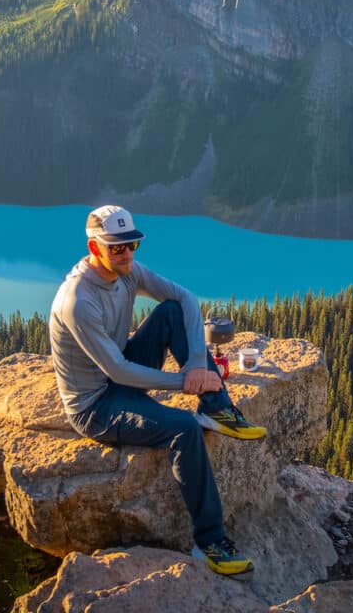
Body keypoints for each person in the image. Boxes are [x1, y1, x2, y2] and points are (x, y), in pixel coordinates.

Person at [49, 204, 266, 576]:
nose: (127, 253)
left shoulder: (127, 272)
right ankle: (210, 542)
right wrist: (184, 383)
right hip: (96, 406)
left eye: (133, 245)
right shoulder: (78, 301)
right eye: (117, 247)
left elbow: (186, 299)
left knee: (169, 312)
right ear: (94, 248)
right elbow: (117, 369)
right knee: (184, 428)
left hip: (120, 377)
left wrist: (198, 365)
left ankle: (217, 407)